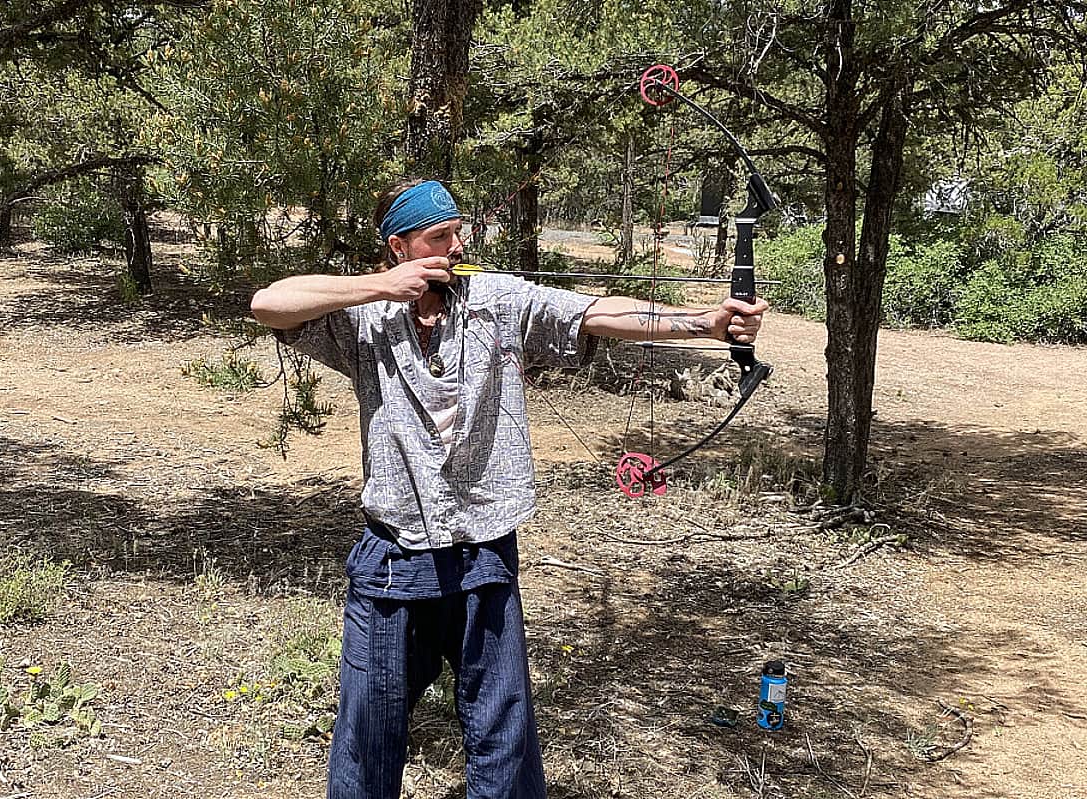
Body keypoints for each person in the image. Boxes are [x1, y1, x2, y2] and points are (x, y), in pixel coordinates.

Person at [249, 177, 767, 799]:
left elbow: (593, 312)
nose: (455, 245)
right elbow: (268, 303)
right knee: (367, 727)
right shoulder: (364, 317)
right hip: (393, 558)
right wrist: (380, 287)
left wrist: (705, 322)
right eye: (437, 237)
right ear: (399, 247)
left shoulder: (497, 298)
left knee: (503, 730)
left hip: (483, 555)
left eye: (458, 231)